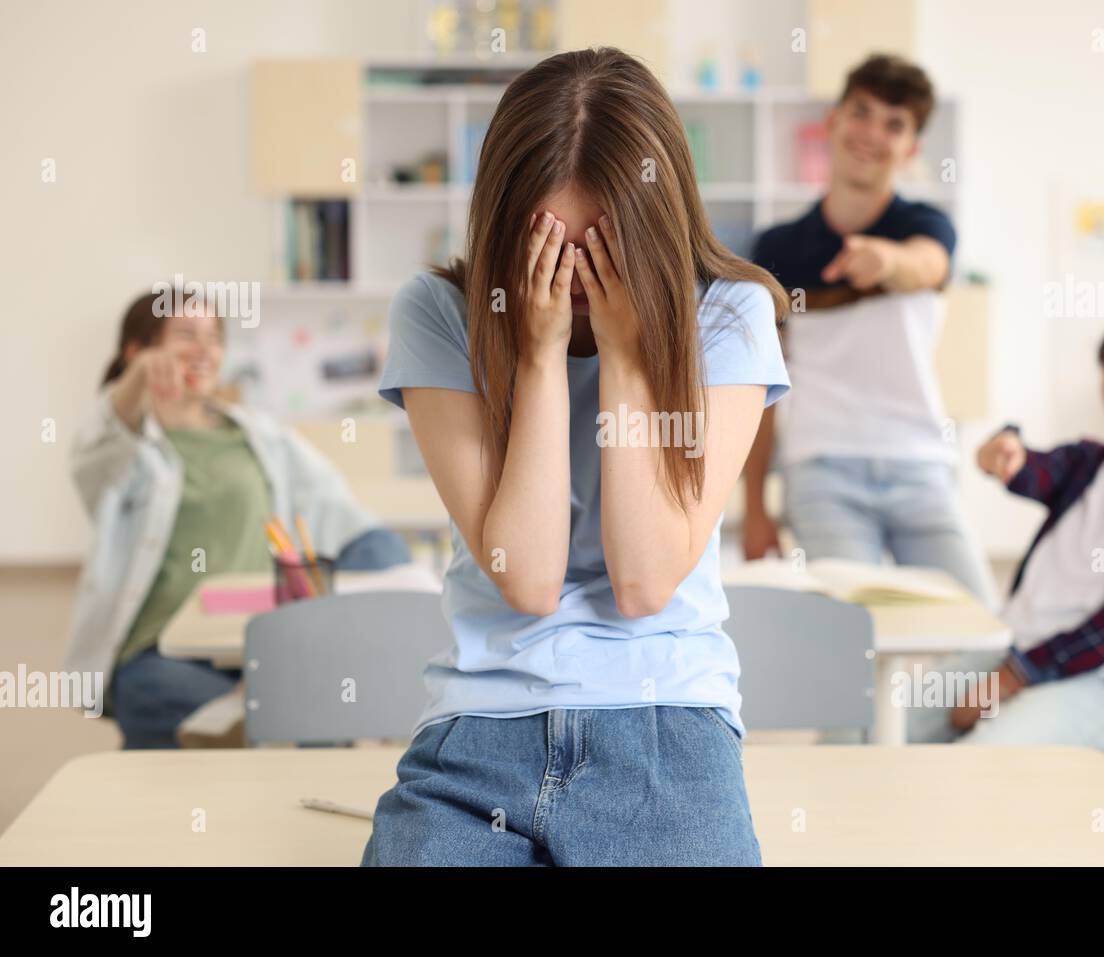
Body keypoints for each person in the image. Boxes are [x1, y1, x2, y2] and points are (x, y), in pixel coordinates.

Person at [363, 47, 791, 866]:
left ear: (656, 230)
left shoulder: (732, 318)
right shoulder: (441, 314)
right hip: (480, 723)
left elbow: (644, 582)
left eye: (603, 250)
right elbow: (526, 579)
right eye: (552, 250)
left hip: (667, 718)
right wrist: (537, 353)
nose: (576, 280)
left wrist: (629, 357)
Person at [66, 290, 408, 748]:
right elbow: (92, 456)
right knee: (230, 712)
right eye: (186, 335)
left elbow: (340, 514)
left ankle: (261, 706)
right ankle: (253, 710)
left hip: (254, 645)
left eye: (214, 337)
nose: (205, 350)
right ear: (137, 351)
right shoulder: (127, 444)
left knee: (313, 716)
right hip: (160, 653)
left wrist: (392, 585)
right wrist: (138, 380)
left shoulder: (257, 433)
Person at [907, 312, 1104, 757]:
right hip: (1008, 651)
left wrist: (1014, 677)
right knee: (858, 733)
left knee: (977, 765)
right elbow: (1032, 470)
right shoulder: (1090, 462)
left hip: (1099, 688)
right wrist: (1007, 446)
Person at [745, 53, 996, 607]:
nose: (873, 133)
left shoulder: (926, 227)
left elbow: (926, 265)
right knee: (855, 635)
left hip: (920, 466)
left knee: (978, 628)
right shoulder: (778, 249)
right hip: (820, 470)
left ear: (911, 150)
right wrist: (757, 507)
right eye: (862, 112)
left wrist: (885, 261)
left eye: (895, 124)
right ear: (831, 122)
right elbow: (763, 386)